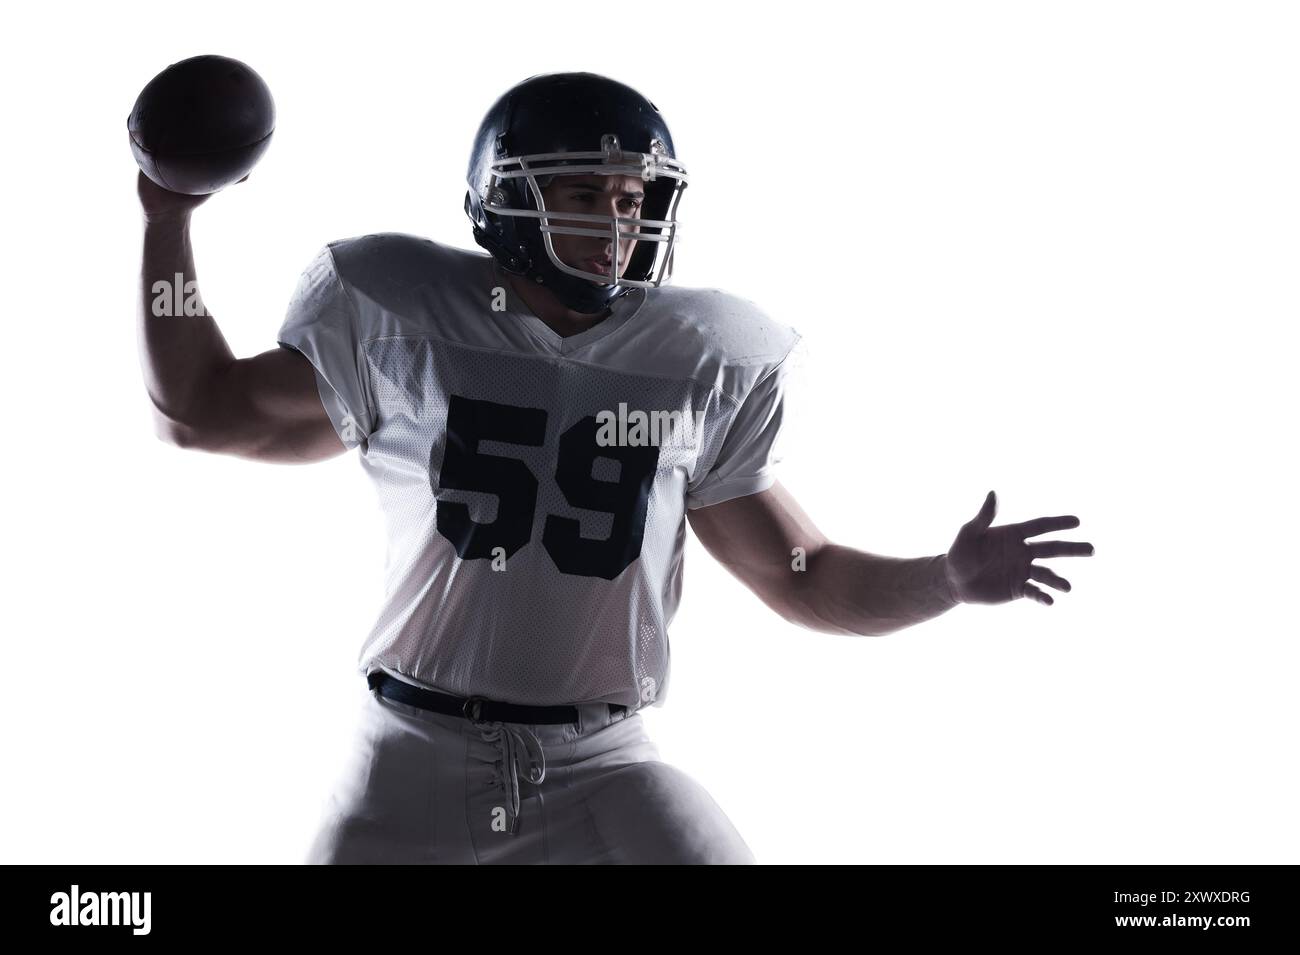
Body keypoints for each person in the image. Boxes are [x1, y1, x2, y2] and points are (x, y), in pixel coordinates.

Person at [136, 71, 1094, 864]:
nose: (616, 224)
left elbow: (802, 573)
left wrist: (947, 579)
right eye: (583, 194)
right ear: (504, 195)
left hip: (599, 758)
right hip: (408, 758)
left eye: (632, 198)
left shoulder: (697, 357)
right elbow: (199, 409)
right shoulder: (405, 319)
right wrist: (167, 220)